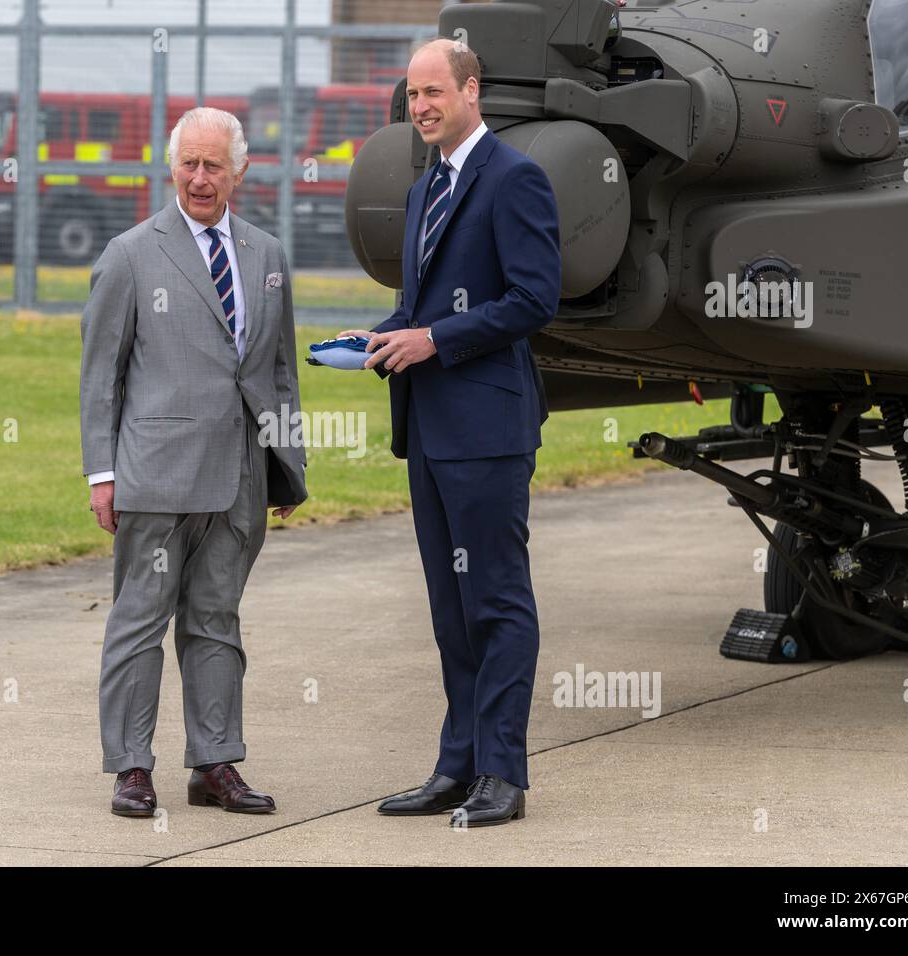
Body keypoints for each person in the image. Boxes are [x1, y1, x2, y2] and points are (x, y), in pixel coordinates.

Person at [340, 38, 561, 827]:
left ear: (472, 90)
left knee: (497, 602)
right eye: (413, 95)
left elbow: (536, 300)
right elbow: (421, 304)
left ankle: (503, 773)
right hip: (429, 430)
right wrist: (384, 335)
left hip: (489, 428)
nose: (421, 107)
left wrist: (436, 340)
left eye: (434, 92)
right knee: (449, 608)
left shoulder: (515, 178)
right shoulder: (427, 183)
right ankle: (457, 765)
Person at [80, 106, 307, 817]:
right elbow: (100, 376)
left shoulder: (267, 255)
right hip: (155, 474)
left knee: (217, 621)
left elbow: (277, 368)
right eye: (190, 164)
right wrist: (102, 473)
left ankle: (215, 764)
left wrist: (286, 459)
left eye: (215, 165)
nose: (201, 178)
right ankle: (131, 768)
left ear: (240, 171)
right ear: (170, 167)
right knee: (140, 619)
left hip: (239, 475)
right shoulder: (130, 254)